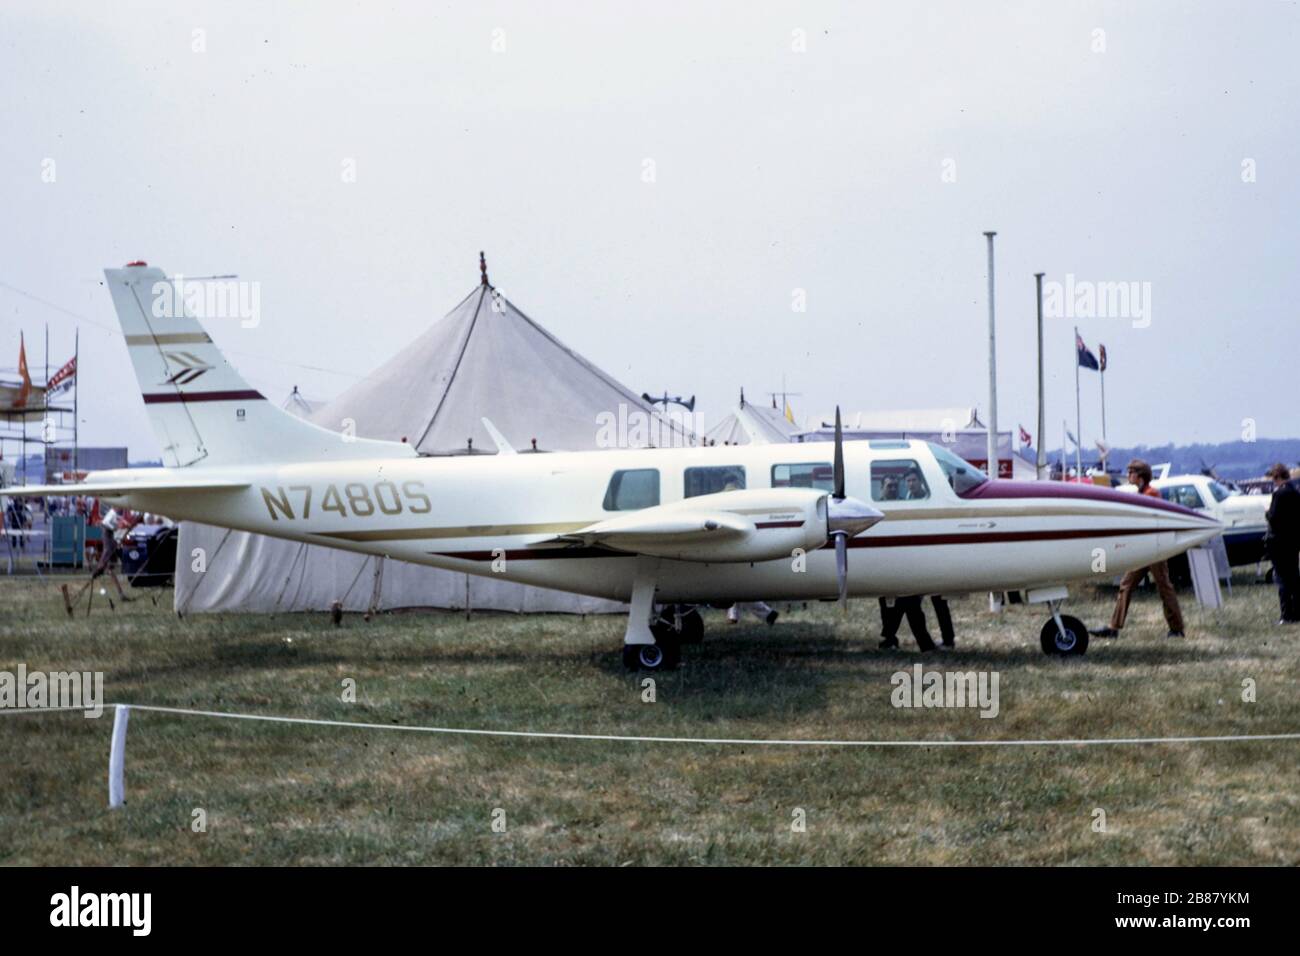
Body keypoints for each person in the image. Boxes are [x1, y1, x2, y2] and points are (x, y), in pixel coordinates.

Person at [1091, 459, 1185, 638]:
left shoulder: (1151, 494)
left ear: (1140, 476)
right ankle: (1114, 627)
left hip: (1153, 550)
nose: (1128, 476)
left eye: (1131, 472)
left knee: (1164, 587)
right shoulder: (1143, 493)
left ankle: (1177, 629)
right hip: (1143, 551)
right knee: (1126, 585)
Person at [1264, 462, 1300, 625]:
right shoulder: (1294, 492)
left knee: (1282, 579)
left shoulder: (1279, 495)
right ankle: (1297, 612)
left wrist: (1267, 513)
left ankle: (1286, 615)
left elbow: (1274, 518)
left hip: (1279, 542)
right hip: (1292, 541)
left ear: (1277, 477)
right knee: (1294, 577)